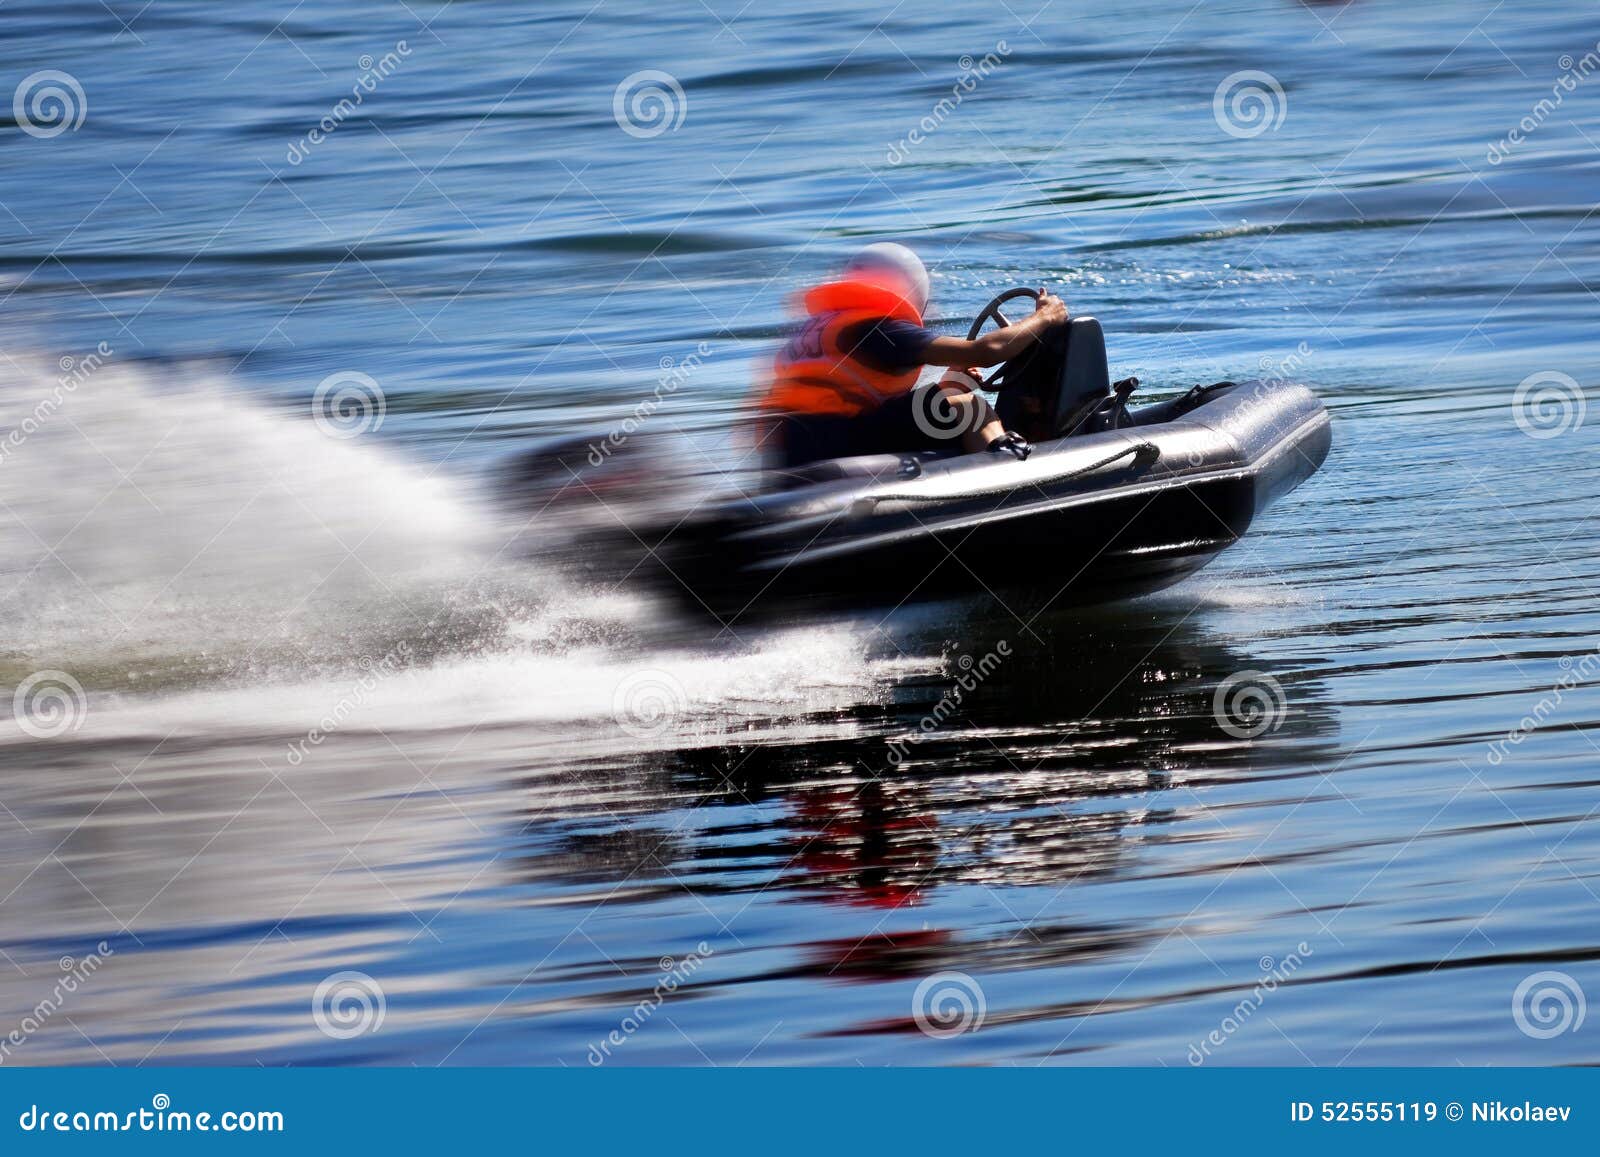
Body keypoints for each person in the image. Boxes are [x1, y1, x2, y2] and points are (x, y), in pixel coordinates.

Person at [758, 243, 1068, 469]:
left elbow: (867, 399)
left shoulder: (824, 327)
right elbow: (987, 351)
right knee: (968, 405)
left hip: (791, 445)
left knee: (946, 396)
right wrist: (1045, 317)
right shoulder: (881, 330)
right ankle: (1006, 462)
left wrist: (951, 382)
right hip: (840, 441)